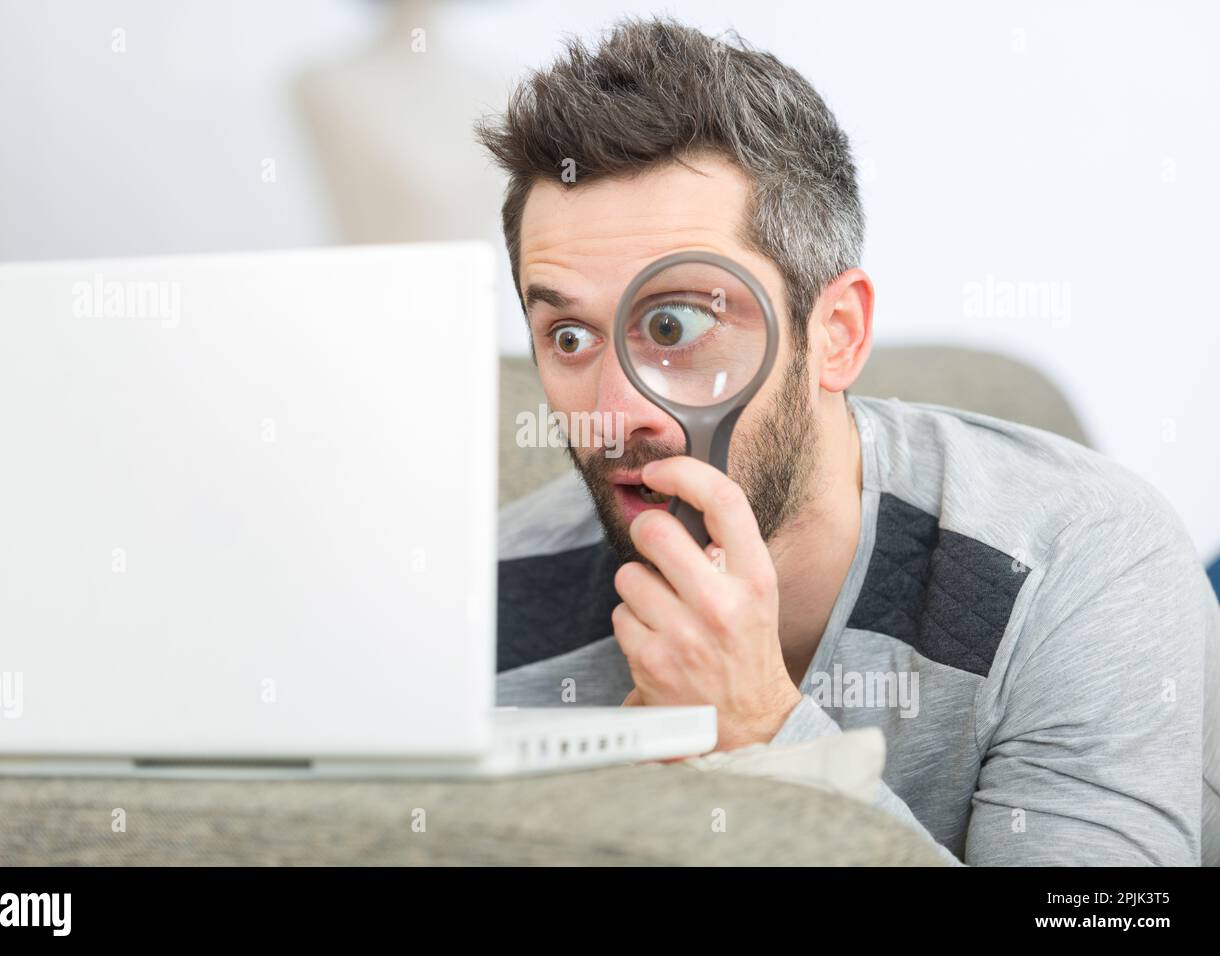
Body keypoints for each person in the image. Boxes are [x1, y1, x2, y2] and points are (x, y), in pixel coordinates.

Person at [475, 16, 1219, 866]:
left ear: (836, 333)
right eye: (568, 337)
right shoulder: (484, 605)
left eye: (676, 322)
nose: (615, 412)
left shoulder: (1083, 565)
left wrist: (761, 735)